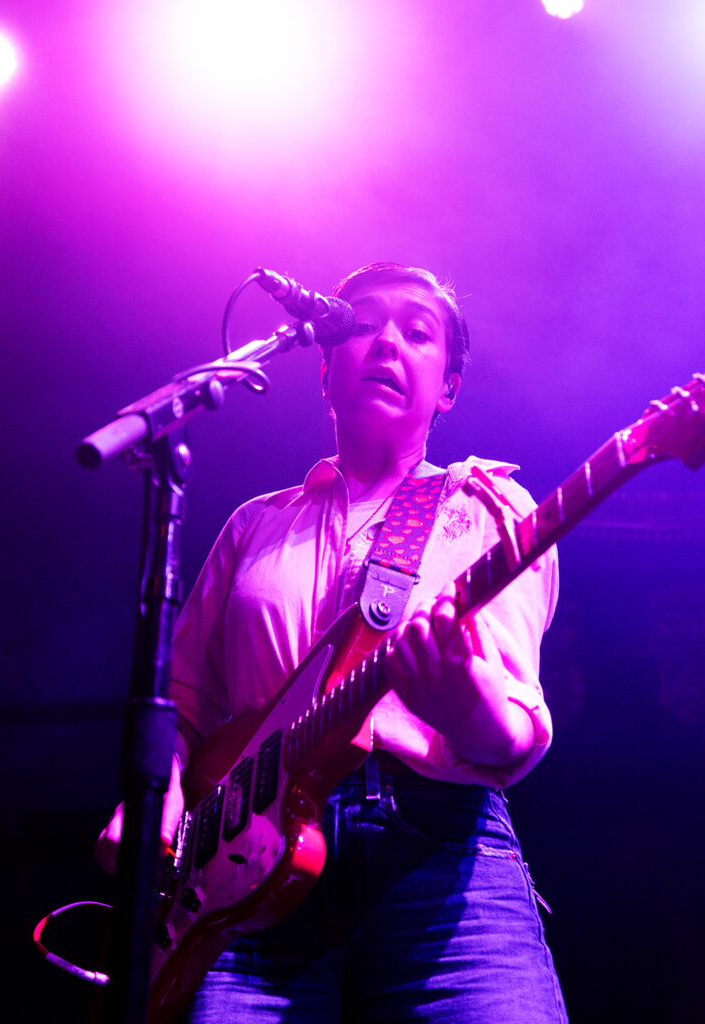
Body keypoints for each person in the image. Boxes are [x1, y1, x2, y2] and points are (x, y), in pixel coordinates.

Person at [97, 262, 567, 1023]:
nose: (386, 342)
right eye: (363, 325)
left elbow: (509, 736)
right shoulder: (254, 523)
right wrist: (155, 798)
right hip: (238, 876)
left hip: (433, 856)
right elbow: (183, 705)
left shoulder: (484, 507)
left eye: (417, 333)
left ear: (446, 387)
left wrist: (465, 701)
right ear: (324, 369)